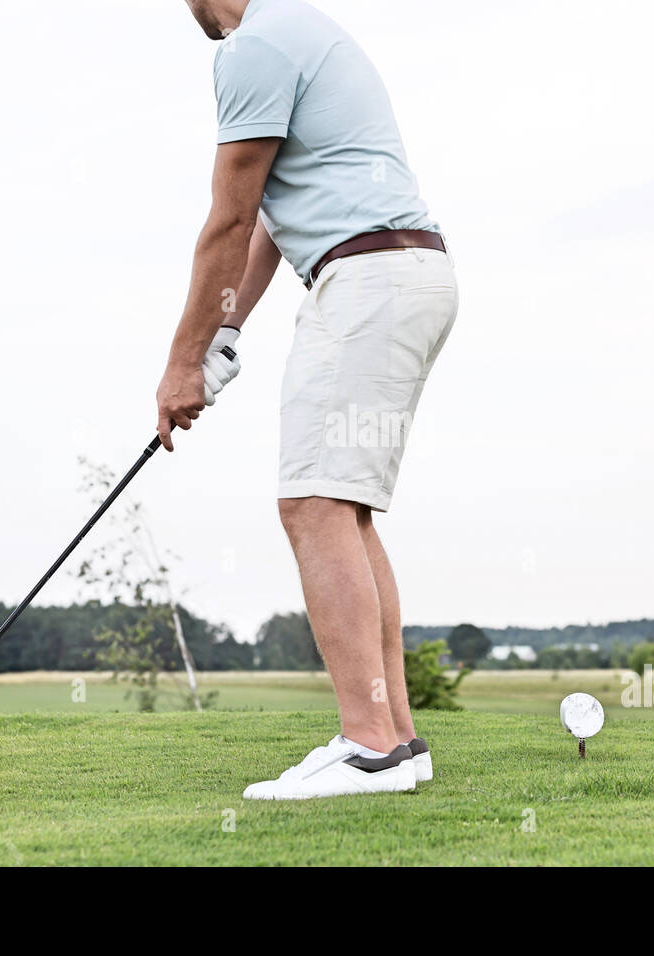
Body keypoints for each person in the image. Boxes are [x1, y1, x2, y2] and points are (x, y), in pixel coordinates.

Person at [158, 0, 458, 799]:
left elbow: (226, 218)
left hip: (364, 279)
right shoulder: (301, 28)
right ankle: (396, 736)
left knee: (313, 505)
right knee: (346, 507)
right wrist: (224, 333)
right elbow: (261, 225)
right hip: (409, 272)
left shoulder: (248, 47)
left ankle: (367, 748)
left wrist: (182, 364)